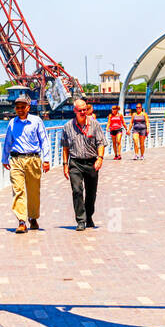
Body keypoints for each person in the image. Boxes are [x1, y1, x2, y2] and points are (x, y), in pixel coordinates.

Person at [2, 95, 51, 234]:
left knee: (33, 191)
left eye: (23, 107)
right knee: (18, 190)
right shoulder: (12, 123)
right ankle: (21, 221)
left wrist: (46, 160)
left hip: (33, 159)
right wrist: (4, 159)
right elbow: (8, 141)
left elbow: (44, 141)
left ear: (28, 108)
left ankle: (33, 217)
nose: (20, 109)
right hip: (16, 159)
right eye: (17, 107)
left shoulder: (36, 121)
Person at [62, 98, 106, 230]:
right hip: (75, 162)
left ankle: (89, 215)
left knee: (91, 193)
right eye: (80, 110)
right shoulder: (67, 127)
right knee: (77, 190)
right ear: (74, 111)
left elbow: (101, 143)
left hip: (92, 162)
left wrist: (100, 159)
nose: (83, 112)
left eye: (85, 110)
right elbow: (65, 147)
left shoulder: (95, 124)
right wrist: (65, 164)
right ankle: (81, 220)